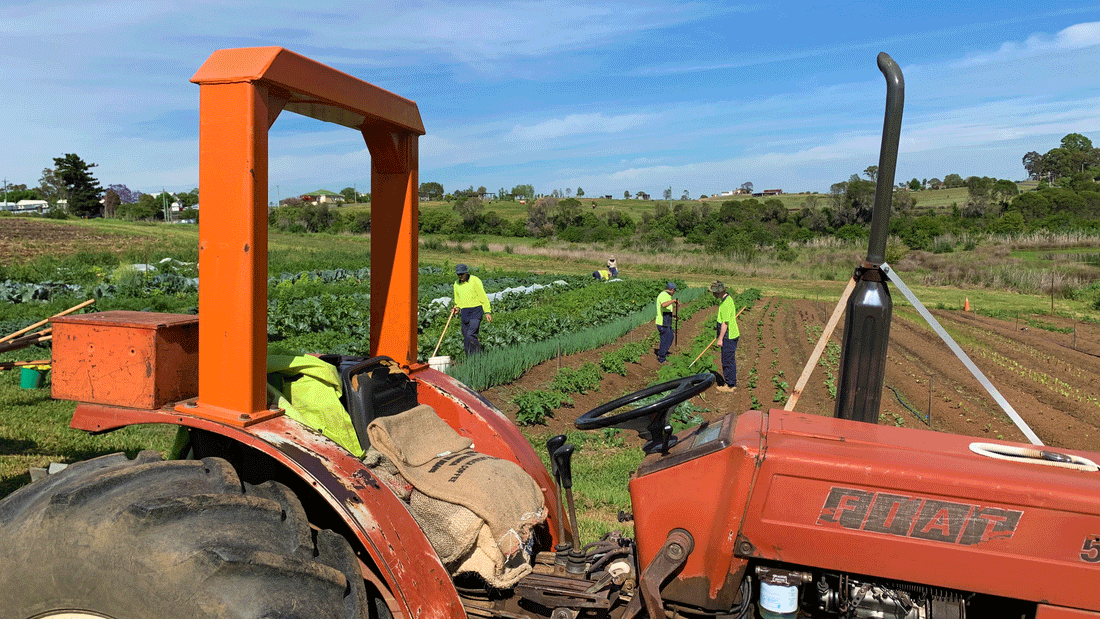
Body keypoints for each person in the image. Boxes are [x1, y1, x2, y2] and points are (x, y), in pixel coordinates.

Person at [451, 264, 491, 356]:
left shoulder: (475, 280)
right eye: (458, 275)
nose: (460, 276)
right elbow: (458, 300)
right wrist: (457, 308)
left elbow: (483, 296)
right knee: (466, 338)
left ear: (466, 272)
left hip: (476, 311)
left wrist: (487, 311)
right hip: (465, 312)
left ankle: (479, 356)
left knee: (471, 335)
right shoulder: (456, 284)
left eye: (462, 274)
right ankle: (470, 359)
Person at [710, 281, 739, 392]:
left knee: (727, 361)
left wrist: (720, 338)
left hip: (729, 336)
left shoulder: (726, 304)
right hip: (730, 334)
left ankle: (730, 385)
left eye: (714, 293)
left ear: (718, 293)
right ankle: (731, 383)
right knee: (728, 359)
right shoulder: (727, 300)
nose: (713, 295)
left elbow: (725, 323)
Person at [654, 282, 678, 363]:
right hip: (662, 322)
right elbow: (664, 305)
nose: (674, 293)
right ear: (672, 290)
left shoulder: (667, 296)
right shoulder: (664, 295)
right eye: (674, 291)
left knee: (670, 337)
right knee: (665, 339)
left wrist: (673, 316)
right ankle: (661, 358)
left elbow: (665, 310)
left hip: (666, 321)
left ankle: (663, 352)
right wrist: (673, 301)